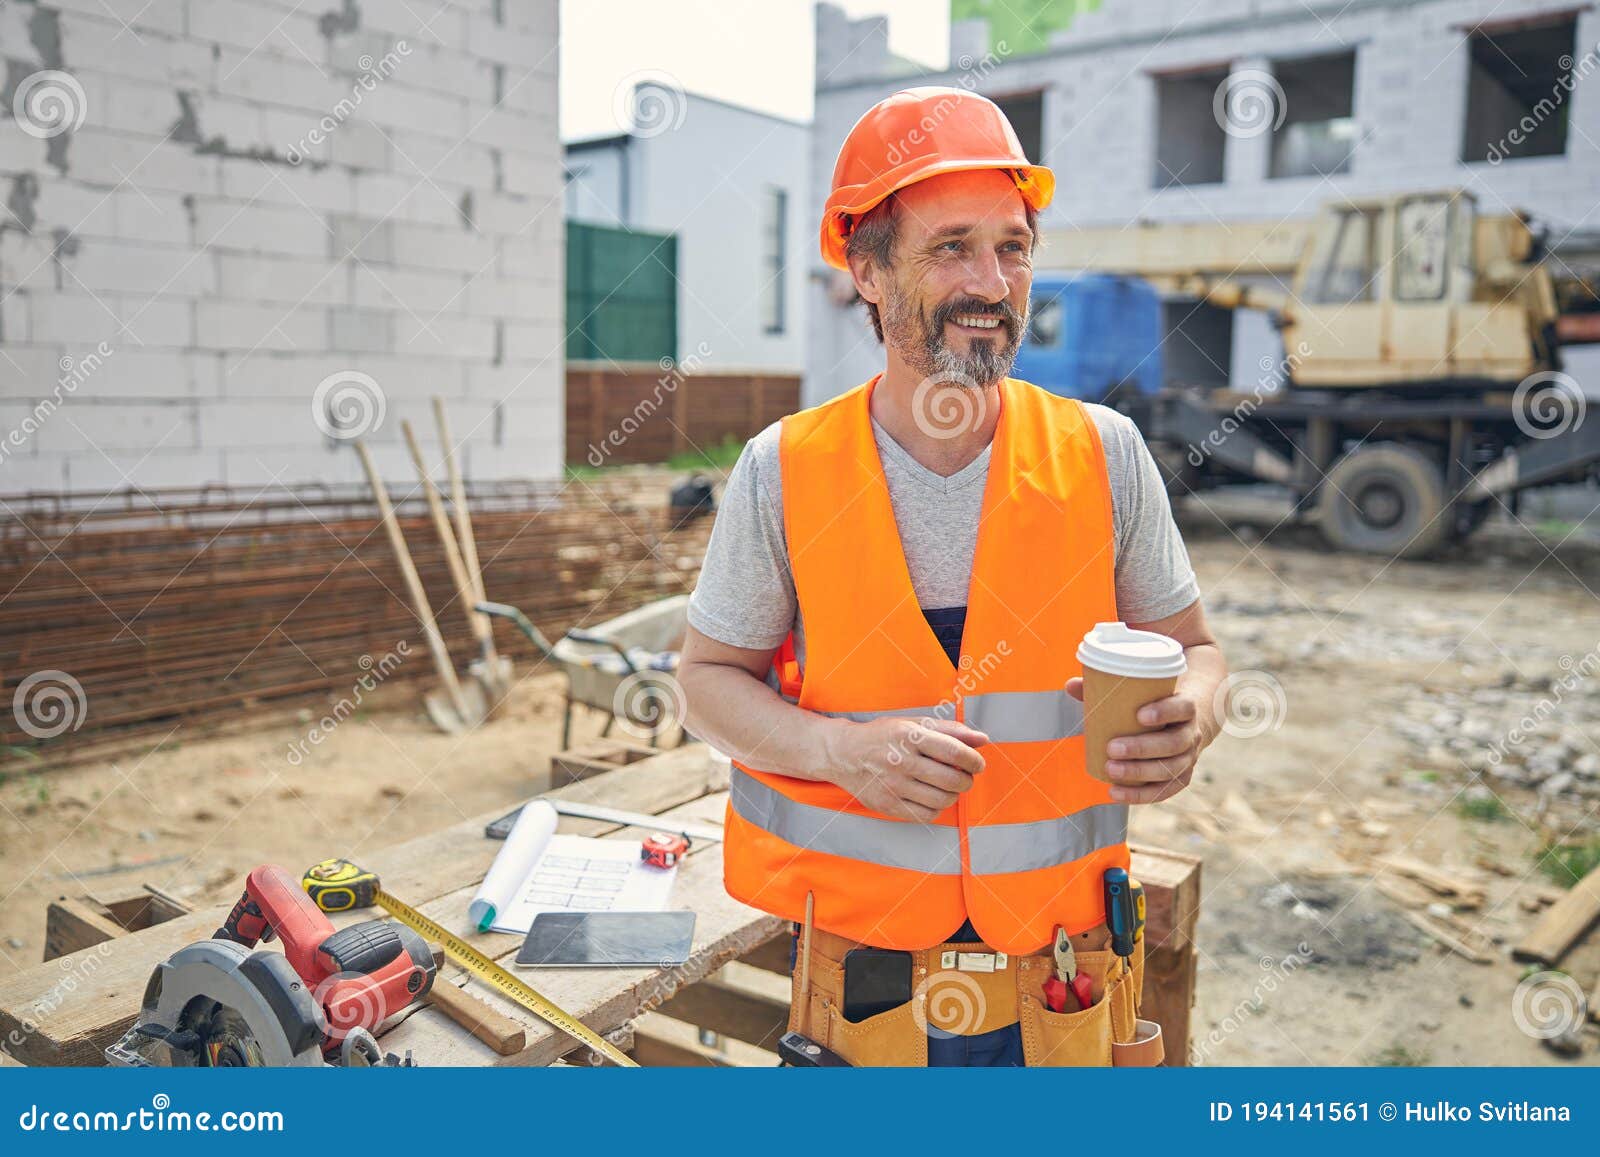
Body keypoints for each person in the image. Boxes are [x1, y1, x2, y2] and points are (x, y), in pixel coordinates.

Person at [679, 87, 1228, 1067]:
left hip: (1061, 972)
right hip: (867, 983)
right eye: (951, 247)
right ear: (868, 270)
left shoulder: (1102, 454)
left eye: (1013, 246)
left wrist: (1195, 708)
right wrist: (837, 750)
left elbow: (1196, 651)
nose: (993, 280)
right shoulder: (785, 467)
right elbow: (706, 679)